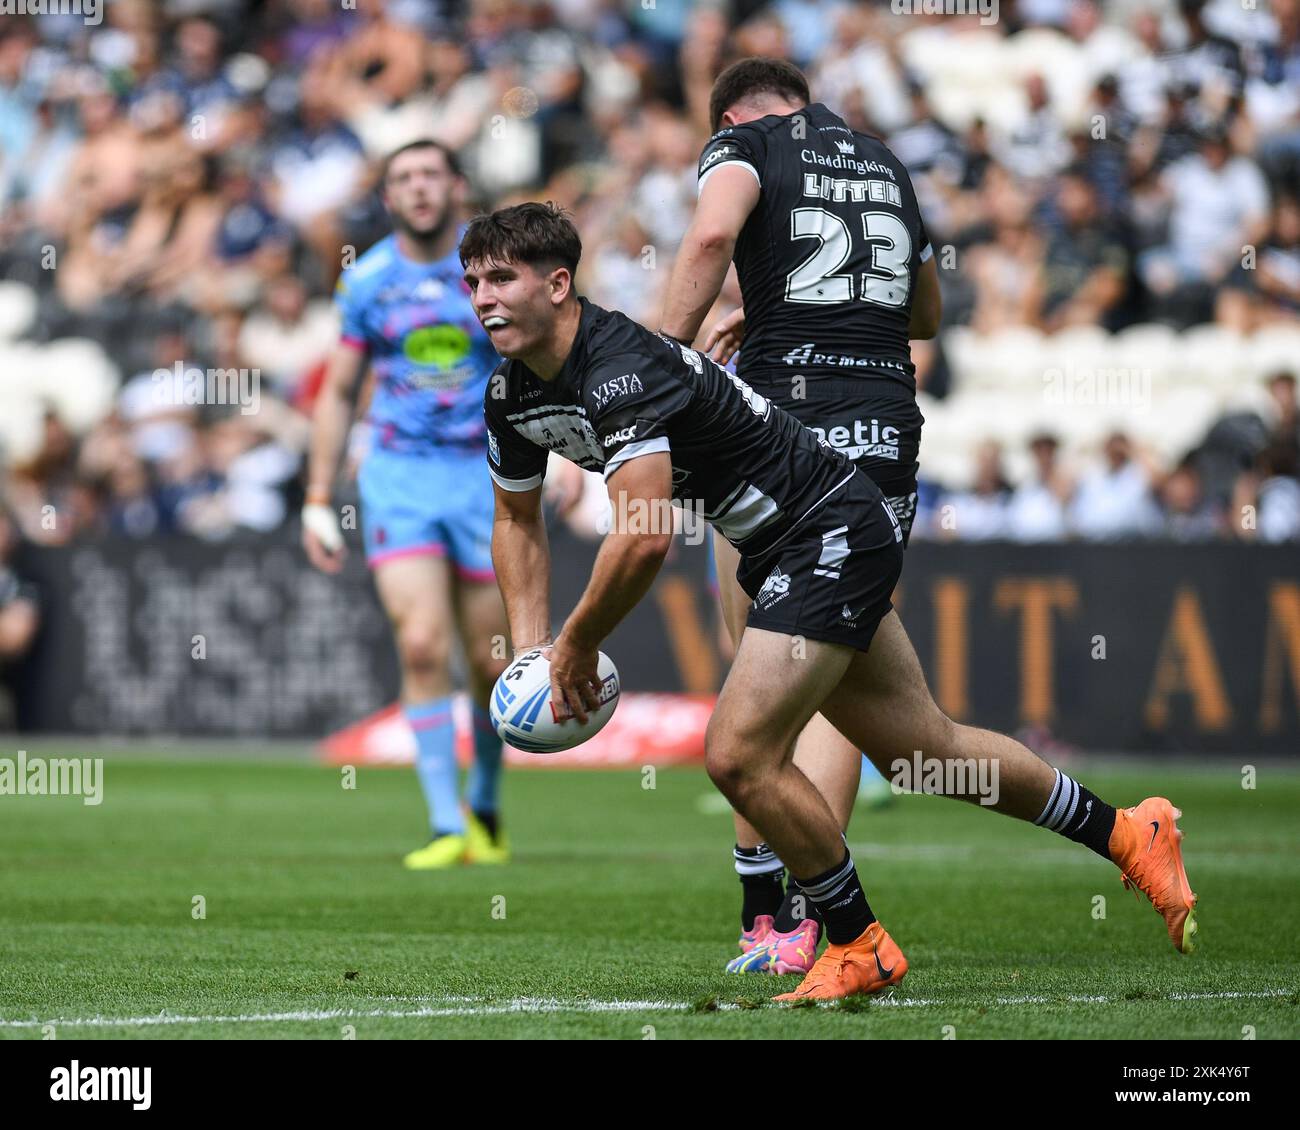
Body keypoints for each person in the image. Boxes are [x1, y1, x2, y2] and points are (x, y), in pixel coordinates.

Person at [463, 201, 1198, 1002]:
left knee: (737, 753)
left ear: (560, 283)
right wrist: (534, 650)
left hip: (826, 529)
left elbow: (643, 537)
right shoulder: (509, 395)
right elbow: (516, 518)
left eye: (502, 278)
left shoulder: (618, 367)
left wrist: (573, 645)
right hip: (796, 540)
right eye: (473, 282)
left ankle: (858, 942)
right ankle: (1132, 834)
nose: (483, 297)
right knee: (931, 753)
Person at [660, 57, 938, 974]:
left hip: (791, 433)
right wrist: (772, 302)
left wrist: (659, 366)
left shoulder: (741, 145)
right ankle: (784, 914)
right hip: (886, 428)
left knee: (774, 662)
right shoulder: (885, 161)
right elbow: (925, 308)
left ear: (733, 113)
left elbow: (706, 242)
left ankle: (795, 920)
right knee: (835, 672)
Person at [302, 140, 510, 869]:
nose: (419, 189)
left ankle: (484, 799)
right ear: (388, 197)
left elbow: (538, 364)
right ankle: (444, 821)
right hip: (398, 474)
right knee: (421, 642)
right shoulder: (369, 281)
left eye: (431, 175)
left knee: (491, 661)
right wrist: (318, 495)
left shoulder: (490, 269)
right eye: (404, 179)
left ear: (456, 185)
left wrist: (569, 455)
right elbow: (338, 388)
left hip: (485, 475)